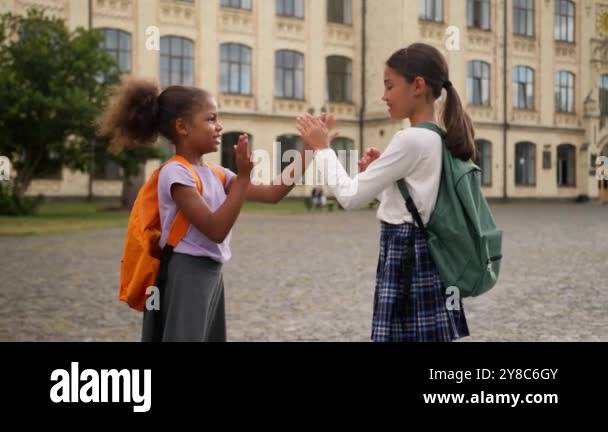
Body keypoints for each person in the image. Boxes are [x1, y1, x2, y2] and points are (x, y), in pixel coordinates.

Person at [98, 79, 311, 342]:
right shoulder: (175, 173)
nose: (219, 126)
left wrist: (309, 152)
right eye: (211, 119)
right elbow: (215, 229)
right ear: (182, 127)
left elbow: (272, 193)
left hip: (210, 274)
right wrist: (243, 179)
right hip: (186, 274)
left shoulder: (215, 173)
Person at [296, 43, 471, 342]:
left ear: (417, 86)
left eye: (389, 86)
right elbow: (415, 203)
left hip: (407, 256)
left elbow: (349, 197)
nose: (383, 96)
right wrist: (387, 178)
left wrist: (323, 149)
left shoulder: (410, 140)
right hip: (428, 255)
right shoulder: (437, 138)